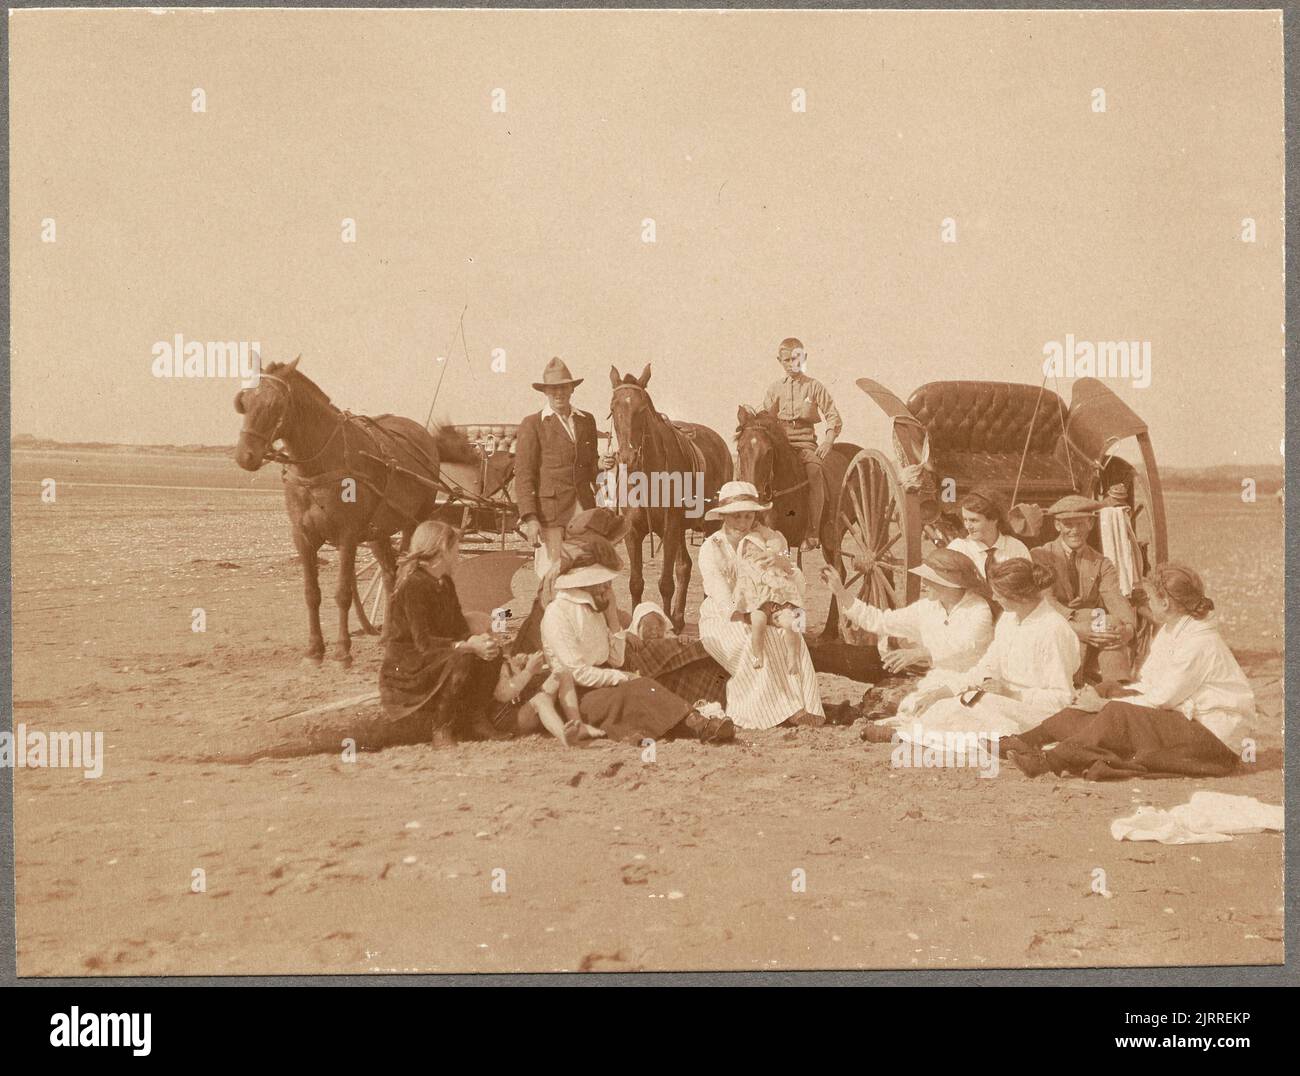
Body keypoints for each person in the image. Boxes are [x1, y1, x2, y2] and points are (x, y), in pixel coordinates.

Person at [1004, 564, 1253, 781]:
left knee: (1116, 710)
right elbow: (1147, 683)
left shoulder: (1199, 642)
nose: (1147, 604)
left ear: (1165, 603)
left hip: (1213, 740)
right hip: (1186, 717)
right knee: (1107, 687)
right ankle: (1027, 740)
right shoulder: (1172, 629)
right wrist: (1107, 695)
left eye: (1150, 599)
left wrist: (1103, 704)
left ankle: (1051, 761)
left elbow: (1162, 699)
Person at [890, 559, 1080, 747]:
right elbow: (985, 668)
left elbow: (1062, 698)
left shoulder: (1053, 629)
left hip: (1035, 712)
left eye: (999, 595)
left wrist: (1012, 693)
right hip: (1002, 701)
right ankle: (912, 732)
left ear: (1019, 596)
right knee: (942, 704)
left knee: (970, 710)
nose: (995, 599)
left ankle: (906, 735)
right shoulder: (1009, 619)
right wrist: (943, 692)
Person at [540, 563, 735, 743]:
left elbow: (616, 660)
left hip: (601, 681)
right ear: (584, 586)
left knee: (645, 687)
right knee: (637, 692)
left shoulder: (595, 610)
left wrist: (612, 619)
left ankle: (700, 724)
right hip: (575, 695)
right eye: (604, 585)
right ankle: (701, 727)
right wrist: (622, 677)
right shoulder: (557, 614)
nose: (609, 590)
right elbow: (577, 672)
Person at [697, 481, 825, 729]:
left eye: (748, 516)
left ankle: (805, 704)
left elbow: (796, 578)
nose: (743, 523)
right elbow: (718, 590)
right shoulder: (712, 546)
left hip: (771, 602)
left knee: (793, 626)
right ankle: (779, 711)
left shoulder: (772, 539)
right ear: (724, 516)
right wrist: (746, 612)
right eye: (736, 517)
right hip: (725, 614)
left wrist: (780, 561)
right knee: (753, 638)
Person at [822, 548, 993, 727]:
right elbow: (882, 621)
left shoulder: (978, 610)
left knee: (941, 713)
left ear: (949, 583)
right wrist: (841, 593)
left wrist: (920, 653)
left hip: (970, 680)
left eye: (930, 580)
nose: (924, 584)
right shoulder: (927, 607)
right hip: (938, 678)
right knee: (909, 707)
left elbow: (963, 646)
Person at [378, 521, 505, 746]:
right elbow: (423, 642)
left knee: (492, 652)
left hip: (438, 654)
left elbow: (458, 627)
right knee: (464, 657)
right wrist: (466, 646)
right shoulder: (413, 585)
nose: (458, 556)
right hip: (409, 664)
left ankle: (475, 717)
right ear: (442, 550)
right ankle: (441, 727)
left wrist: (477, 640)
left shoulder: (444, 582)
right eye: (456, 550)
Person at [1030, 495, 1136, 682]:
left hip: (1090, 625)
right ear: (1058, 526)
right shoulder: (1041, 555)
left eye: (1080, 524)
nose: (1075, 531)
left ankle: (1116, 685)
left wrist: (1128, 627)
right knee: (1094, 619)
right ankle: (1073, 684)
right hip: (1052, 623)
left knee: (1111, 623)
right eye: (1068, 524)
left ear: (1090, 524)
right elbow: (1046, 601)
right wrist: (1075, 626)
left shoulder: (1101, 562)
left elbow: (1114, 597)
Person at [514, 357, 601, 574]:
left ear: (572, 389)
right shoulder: (532, 424)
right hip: (550, 516)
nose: (558, 393)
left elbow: (592, 466)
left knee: (584, 572)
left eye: (563, 387)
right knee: (551, 574)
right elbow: (524, 476)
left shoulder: (586, 420)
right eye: (553, 389)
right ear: (545, 392)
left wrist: (603, 464)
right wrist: (531, 518)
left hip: (583, 512)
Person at [761, 337, 843, 551]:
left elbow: (833, 416)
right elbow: (766, 422)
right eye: (786, 360)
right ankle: (756, 525)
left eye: (795, 359)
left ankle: (814, 530)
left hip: (805, 443)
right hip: (781, 445)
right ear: (779, 361)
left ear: (803, 358)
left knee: (815, 472)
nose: (791, 364)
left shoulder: (814, 387)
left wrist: (828, 440)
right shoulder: (774, 390)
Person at [733, 522, 807, 673]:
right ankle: (758, 655)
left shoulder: (779, 570)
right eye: (751, 553)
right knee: (758, 620)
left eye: (759, 553)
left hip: (778, 603)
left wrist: (780, 563)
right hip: (758, 603)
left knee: (790, 623)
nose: (756, 557)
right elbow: (744, 573)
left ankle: (793, 655)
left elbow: (789, 565)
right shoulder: (749, 566)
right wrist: (763, 575)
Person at [947, 488, 1030, 579]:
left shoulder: (1017, 549)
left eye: (974, 520)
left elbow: (1027, 589)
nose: (967, 527)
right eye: (965, 520)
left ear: (994, 519)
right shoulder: (957, 549)